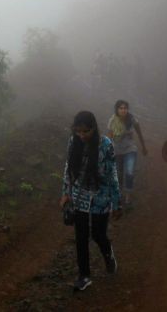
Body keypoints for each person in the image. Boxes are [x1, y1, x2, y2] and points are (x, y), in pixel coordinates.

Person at [60, 111, 123, 292]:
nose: (81, 135)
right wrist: (65, 192)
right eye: (78, 131)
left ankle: (107, 252)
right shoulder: (74, 142)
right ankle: (84, 275)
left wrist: (116, 202)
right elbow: (68, 167)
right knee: (80, 236)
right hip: (80, 195)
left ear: (94, 129)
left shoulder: (106, 145)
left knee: (97, 234)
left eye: (85, 131)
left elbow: (113, 175)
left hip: (101, 195)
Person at [106, 100, 148, 206]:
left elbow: (139, 132)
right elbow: (110, 137)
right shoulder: (112, 120)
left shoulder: (132, 119)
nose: (123, 110)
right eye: (121, 108)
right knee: (119, 174)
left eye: (125, 108)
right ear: (117, 109)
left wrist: (143, 146)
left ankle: (128, 196)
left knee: (129, 172)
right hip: (117, 150)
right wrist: (108, 150)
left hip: (130, 149)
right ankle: (118, 194)